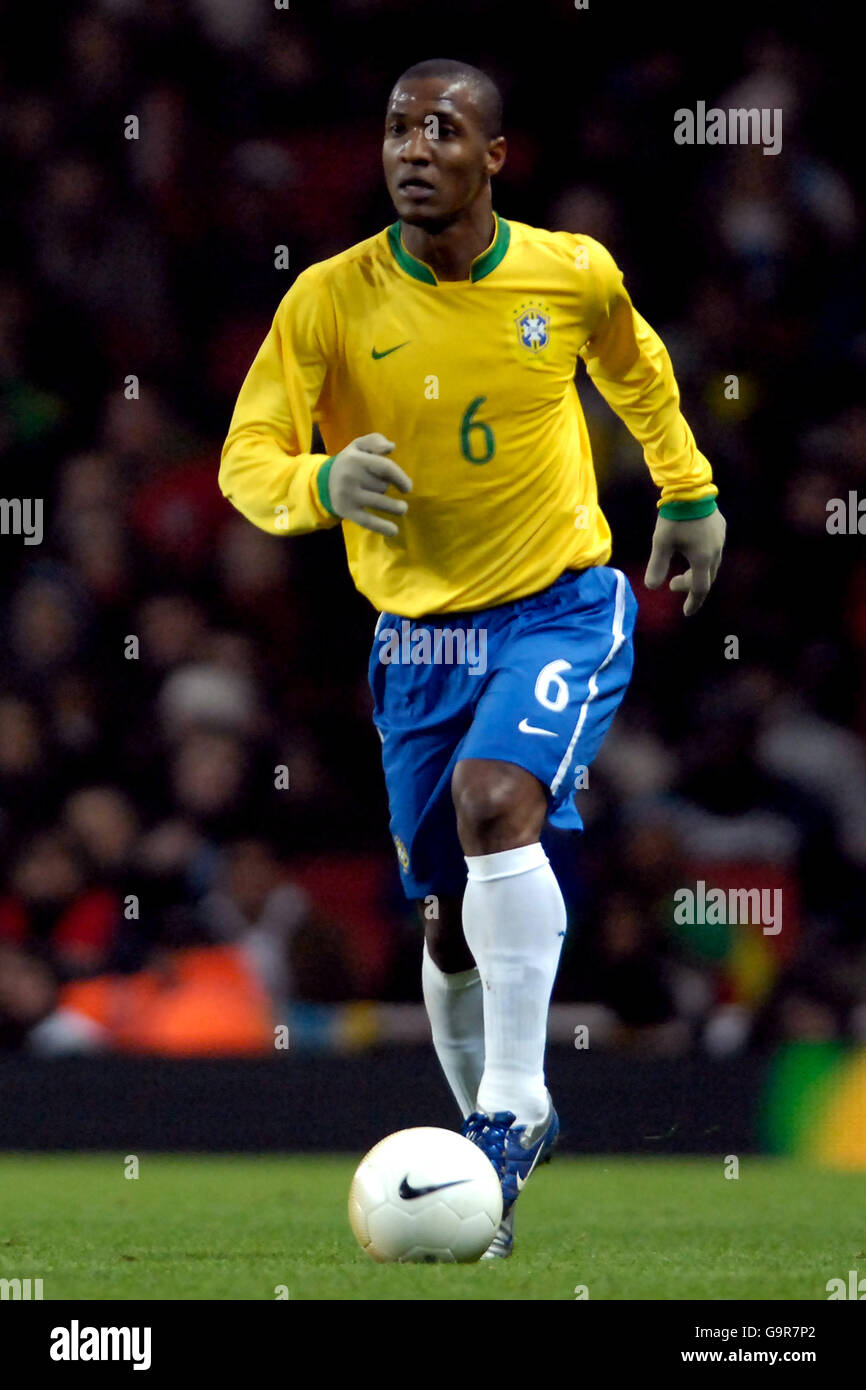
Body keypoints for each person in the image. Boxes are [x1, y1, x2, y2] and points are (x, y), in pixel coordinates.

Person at [219, 57, 726, 1257]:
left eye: (442, 129)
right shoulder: (330, 302)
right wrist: (319, 480)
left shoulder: (568, 272)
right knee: (446, 922)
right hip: (414, 644)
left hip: (557, 605)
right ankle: (481, 1178)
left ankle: (513, 1105)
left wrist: (689, 490)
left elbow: (635, 369)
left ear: (494, 156)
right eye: (396, 127)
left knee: (496, 802)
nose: (412, 148)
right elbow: (248, 458)